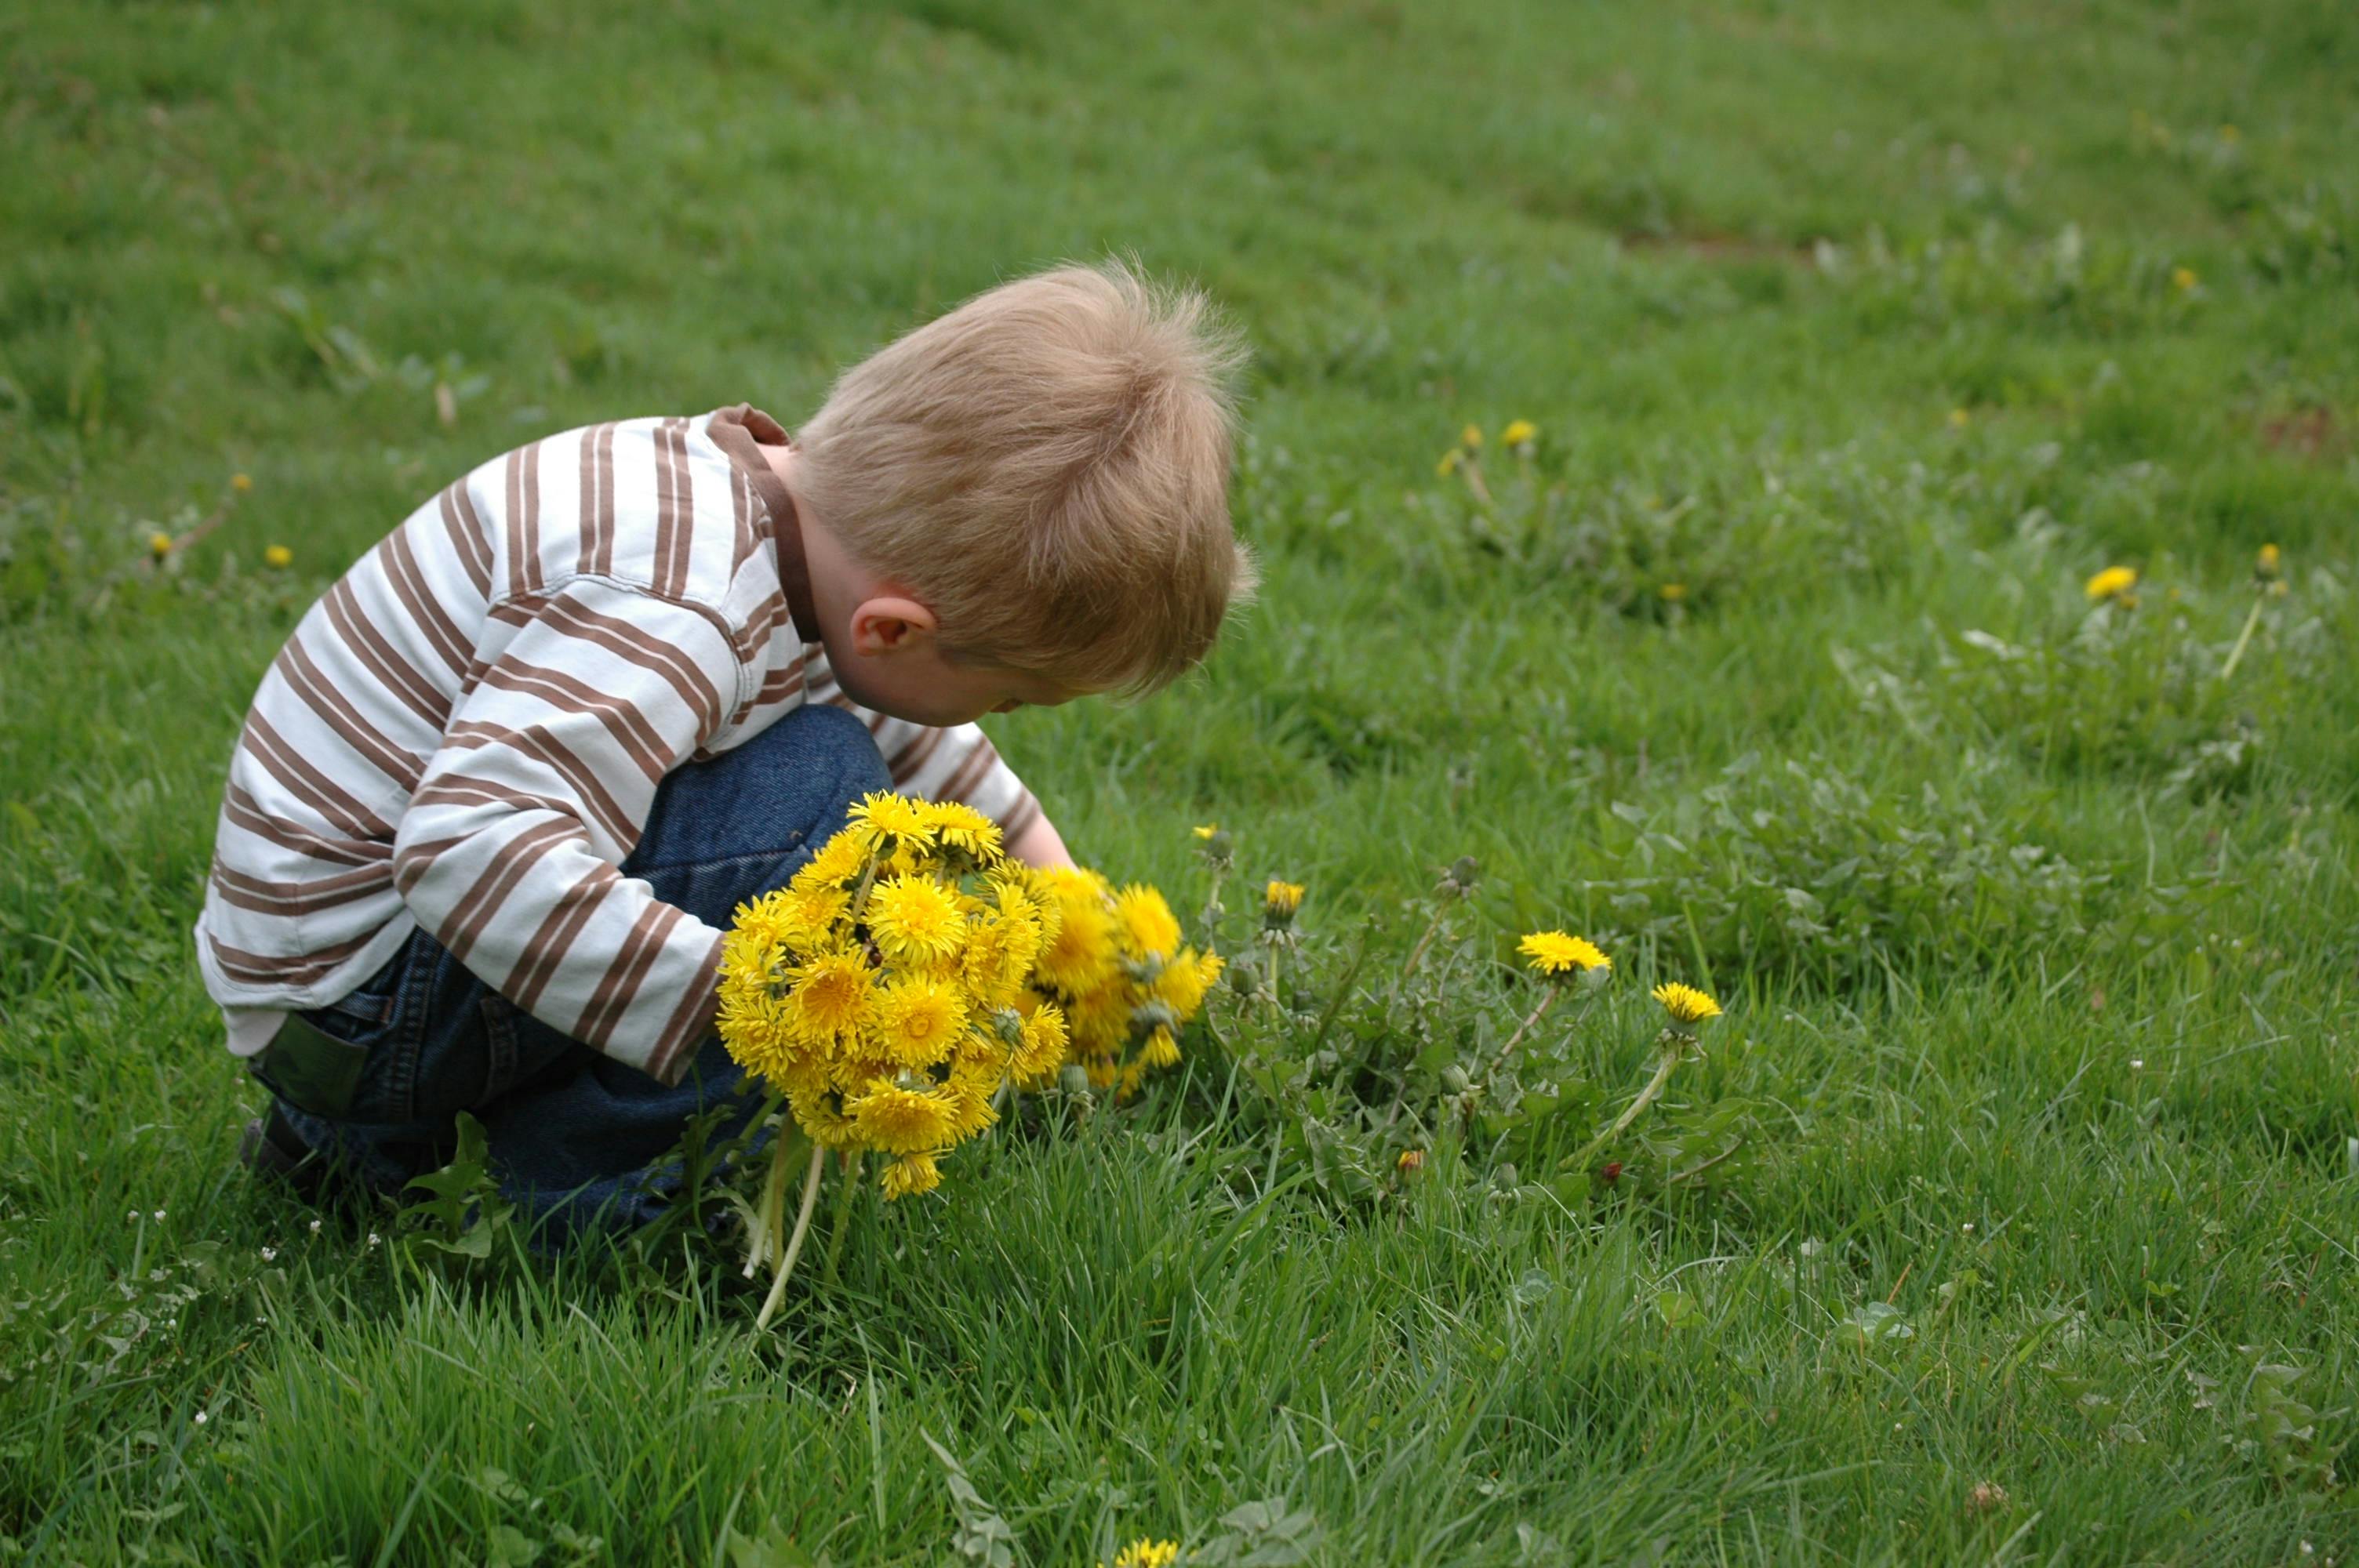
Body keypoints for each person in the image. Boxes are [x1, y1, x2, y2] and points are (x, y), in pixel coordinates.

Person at [196, 260, 1251, 1237]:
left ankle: (366, 1152)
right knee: (819, 796)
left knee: (818, 758)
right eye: (1014, 696)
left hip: (332, 978)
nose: (1001, 715)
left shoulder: (775, 516)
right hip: (360, 992)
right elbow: (468, 853)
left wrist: (1076, 915)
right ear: (895, 628)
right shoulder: (681, 611)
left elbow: (910, 723)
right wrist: (775, 1006)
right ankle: (578, 1208)